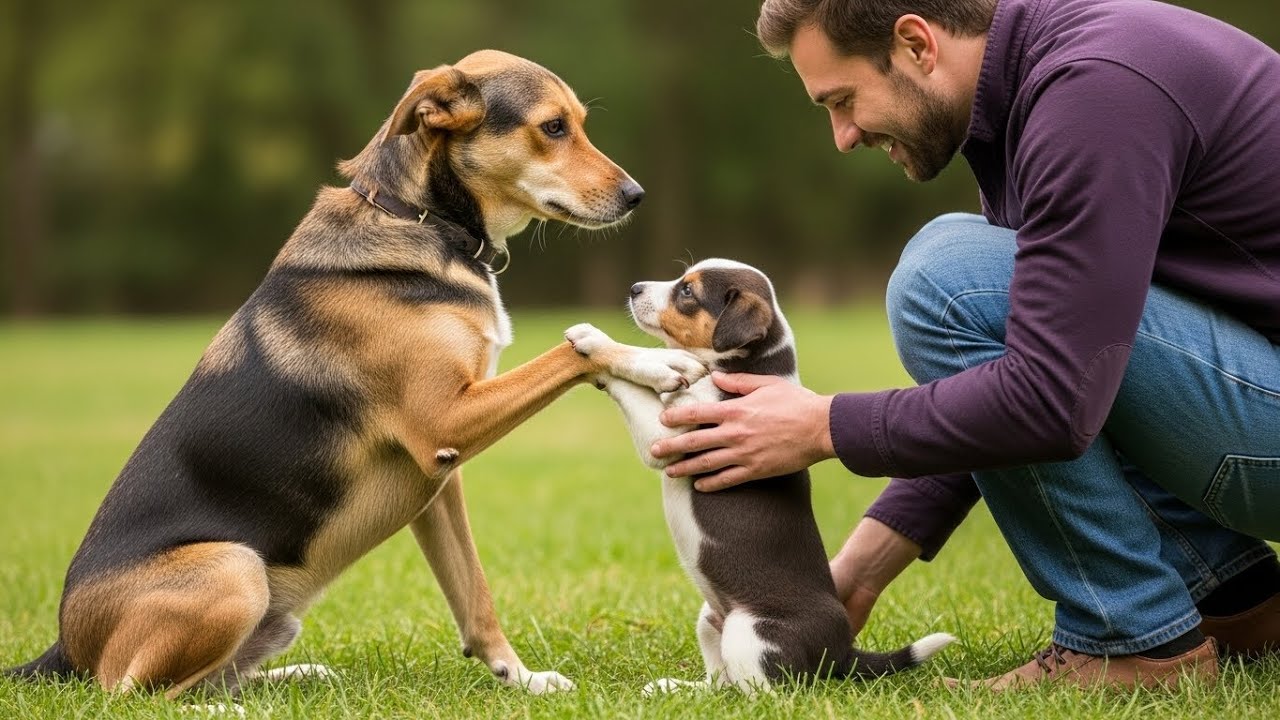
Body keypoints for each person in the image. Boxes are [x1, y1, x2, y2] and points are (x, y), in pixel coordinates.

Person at [649, 0, 1280, 689]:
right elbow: (1040, 351)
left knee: (944, 279)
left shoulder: (1094, 93)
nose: (843, 135)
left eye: (843, 100)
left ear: (917, 43)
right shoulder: (1039, 91)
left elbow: (1046, 397)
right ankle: (1233, 599)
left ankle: (1128, 639)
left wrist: (824, 425)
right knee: (985, 286)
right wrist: (857, 574)